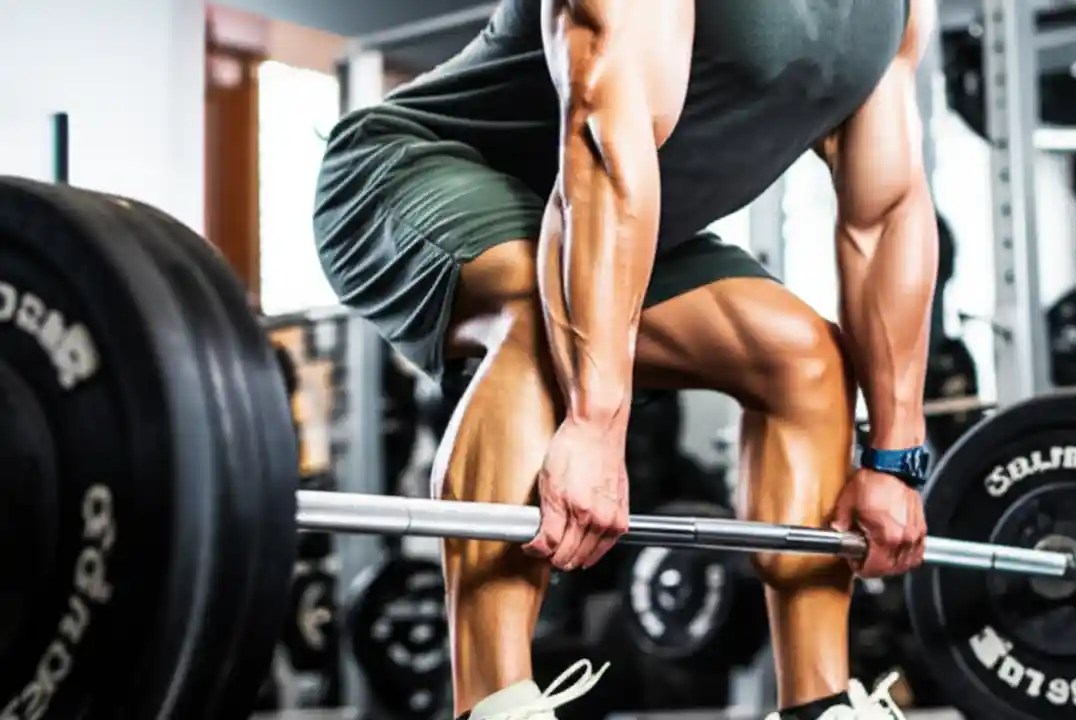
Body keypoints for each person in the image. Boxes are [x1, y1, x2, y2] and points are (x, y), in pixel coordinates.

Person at [313, 1, 937, 718]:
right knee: (535, 316)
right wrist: (595, 422)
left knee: (804, 359)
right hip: (410, 169)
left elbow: (886, 214)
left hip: (610, 216)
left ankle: (818, 703)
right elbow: (602, 151)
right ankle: (494, 703)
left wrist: (893, 458)